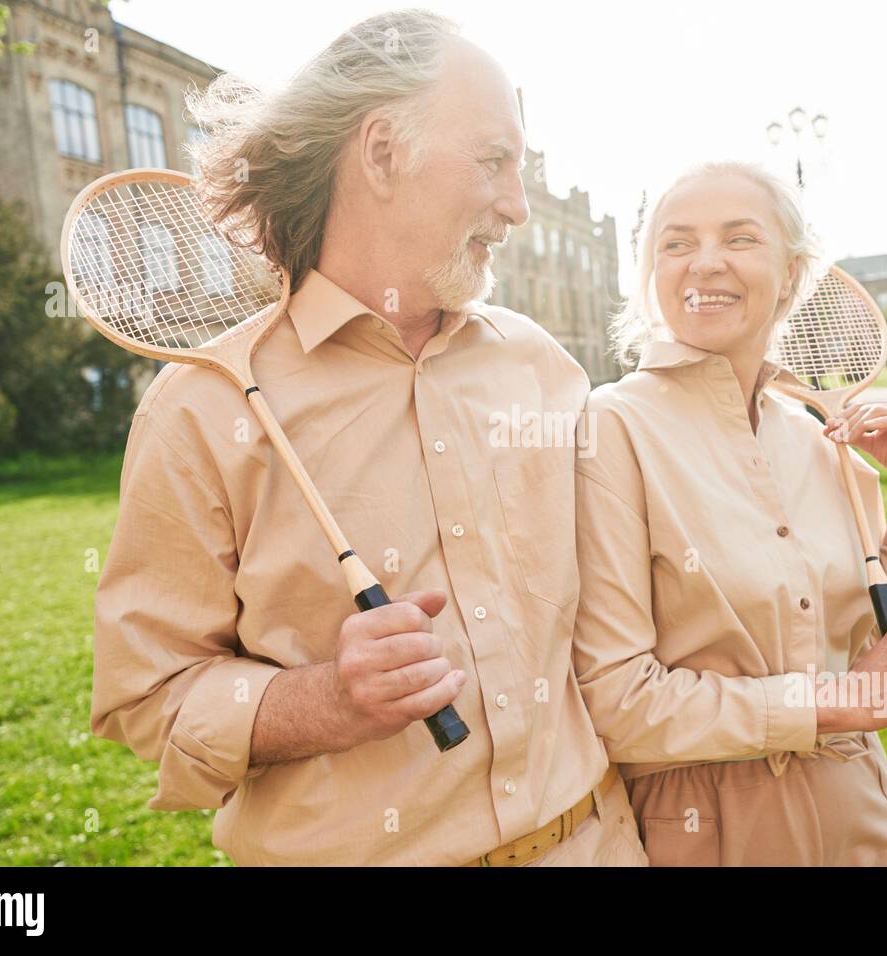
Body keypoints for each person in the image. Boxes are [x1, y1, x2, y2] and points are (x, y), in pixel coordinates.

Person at [90, 9, 645, 867]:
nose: (518, 207)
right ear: (384, 152)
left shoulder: (541, 367)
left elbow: (631, 607)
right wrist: (323, 701)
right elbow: (146, 698)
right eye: (494, 162)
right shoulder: (200, 409)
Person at [572, 160, 887, 866]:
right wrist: (835, 706)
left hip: (861, 822)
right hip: (708, 834)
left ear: (792, 273)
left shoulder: (816, 437)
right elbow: (617, 703)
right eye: (676, 242)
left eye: (740, 238)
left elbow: (883, 649)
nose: (705, 262)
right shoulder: (612, 427)